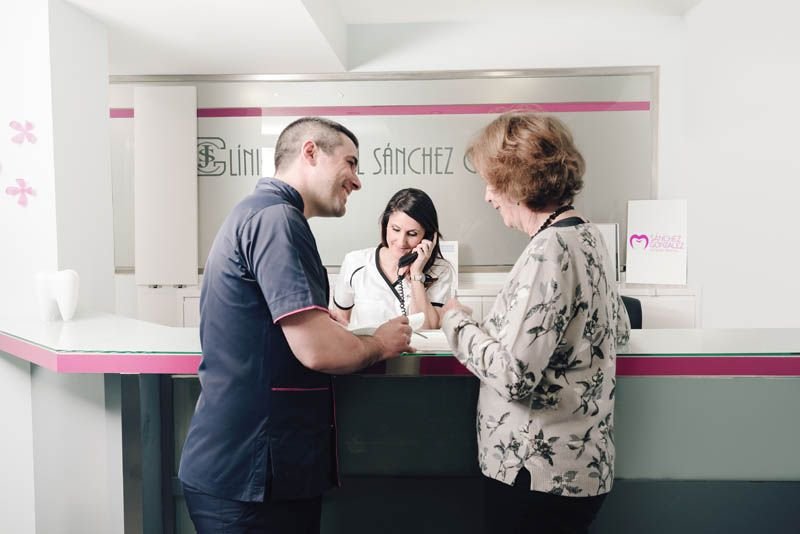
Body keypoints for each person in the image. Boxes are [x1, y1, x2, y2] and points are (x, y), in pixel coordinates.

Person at [178, 117, 413, 534]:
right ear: (310, 152)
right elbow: (316, 349)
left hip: (250, 472)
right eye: (351, 163)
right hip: (249, 479)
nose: (357, 182)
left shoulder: (260, 214)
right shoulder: (278, 221)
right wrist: (377, 344)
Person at [441, 112, 631, 534]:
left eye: (492, 183)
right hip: (581, 467)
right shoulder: (587, 235)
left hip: (535, 473)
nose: (488, 197)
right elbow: (619, 330)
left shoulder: (550, 250)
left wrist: (454, 322)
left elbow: (513, 377)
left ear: (516, 182)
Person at [331, 188, 455, 330]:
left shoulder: (440, 270)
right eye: (395, 229)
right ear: (385, 226)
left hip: (418, 351)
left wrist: (416, 275)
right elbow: (339, 324)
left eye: (412, 234)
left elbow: (428, 329)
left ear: (428, 237)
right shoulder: (355, 262)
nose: (401, 242)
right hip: (369, 351)